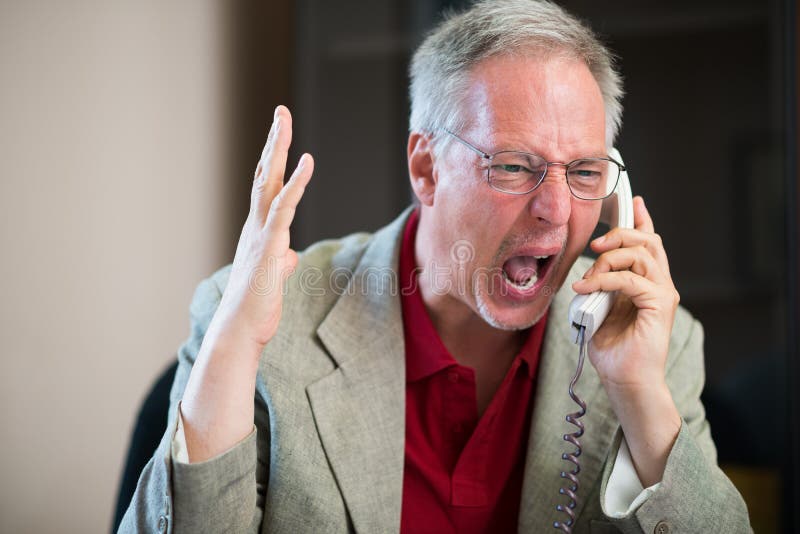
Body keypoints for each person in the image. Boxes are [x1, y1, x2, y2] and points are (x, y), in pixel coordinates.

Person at [119, 1, 752, 532]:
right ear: (426, 168)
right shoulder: (259, 321)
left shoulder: (657, 344)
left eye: (585, 172)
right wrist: (233, 351)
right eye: (512, 165)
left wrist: (639, 395)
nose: (557, 211)